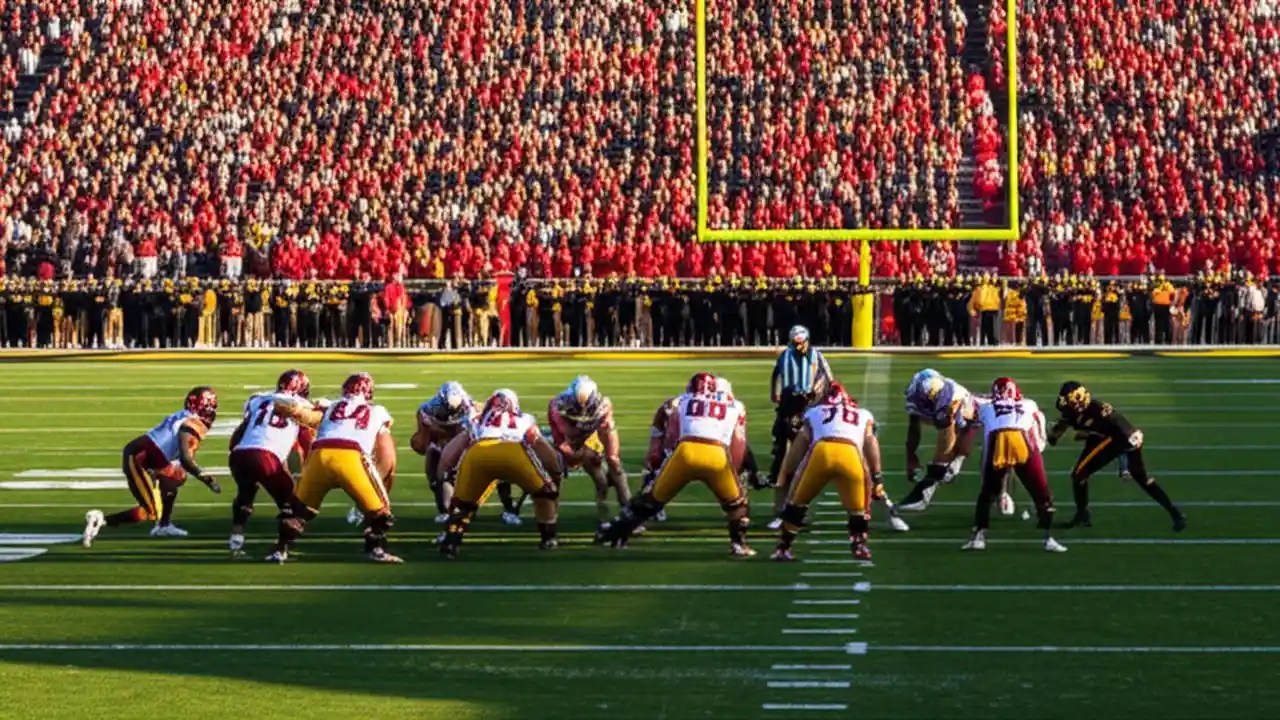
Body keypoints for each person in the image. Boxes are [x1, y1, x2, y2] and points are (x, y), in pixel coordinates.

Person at [597, 373, 754, 557]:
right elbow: (739, 443)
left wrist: (663, 457)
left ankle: (615, 531)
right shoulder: (736, 406)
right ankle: (738, 544)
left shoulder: (681, 400)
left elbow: (670, 432)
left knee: (651, 500)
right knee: (737, 504)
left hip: (684, 452)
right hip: (716, 453)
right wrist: (736, 469)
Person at [268, 372, 402, 563]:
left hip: (319, 456)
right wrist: (382, 478)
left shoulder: (330, 407)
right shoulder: (378, 411)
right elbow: (387, 453)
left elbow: (306, 416)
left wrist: (295, 409)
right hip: (352, 457)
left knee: (298, 512)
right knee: (381, 514)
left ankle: (280, 549)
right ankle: (376, 550)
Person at [82, 387, 222, 547]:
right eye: (209, 407)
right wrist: (206, 478)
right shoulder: (191, 423)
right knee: (150, 511)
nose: (211, 413)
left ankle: (164, 525)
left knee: (176, 476)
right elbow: (186, 459)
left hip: (152, 455)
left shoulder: (183, 415)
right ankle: (102, 520)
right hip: (139, 457)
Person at [435, 389, 565, 558]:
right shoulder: (524, 419)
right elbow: (540, 445)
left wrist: (443, 470)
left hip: (478, 453)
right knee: (545, 493)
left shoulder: (476, 419)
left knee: (463, 505)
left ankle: (451, 542)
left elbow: (451, 451)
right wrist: (555, 469)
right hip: (513, 452)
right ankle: (548, 538)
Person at [1049, 382, 1186, 532]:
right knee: (1081, 475)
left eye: (1069, 401)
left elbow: (1123, 432)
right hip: (1105, 437)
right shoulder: (1076, 411)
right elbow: (1066, 425)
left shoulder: (1097, 410)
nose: (1066, 405)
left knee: (1080, 474)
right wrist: (1055, 433)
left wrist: (1124, 464)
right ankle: (1176, 514)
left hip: (1119, 440)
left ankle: (1175, 513)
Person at [771, 382, 880, 562]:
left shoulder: (814, 412)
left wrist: (786, 472)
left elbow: (799, 445)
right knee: (858, 508)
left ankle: (784, 547)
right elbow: (870, 443)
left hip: (822, 452)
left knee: (797, 503)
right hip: (850, 453)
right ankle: (860, 546)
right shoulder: (863, 415)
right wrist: (877, 476)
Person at [961, 377, 1067, 553]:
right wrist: (1039, 449)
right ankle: (1049, 538)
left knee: (987, 493)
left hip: (998, 443)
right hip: (1023, 444)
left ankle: (979, 536)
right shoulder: (1029, 404)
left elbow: (968, 413)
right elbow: (1039, 427)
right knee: (1042, 494)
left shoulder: (986, 407)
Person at [226, 370, 314, 558]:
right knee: (291, 506)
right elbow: (305, 442)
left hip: (239, 455)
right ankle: (281, 550)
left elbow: (243, 429)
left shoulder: (257, 399)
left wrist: (233, 450)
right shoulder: (303, 406)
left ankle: (236, 537)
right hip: (266, 456)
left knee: (246, 493)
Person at [768, 325, 832, 526]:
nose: (798, 347)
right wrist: (775, 393)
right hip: (788, 407)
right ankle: (780, 511)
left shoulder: (816, 356)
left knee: (804, 462)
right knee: (781, 460)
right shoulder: (785, 356)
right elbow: (776, 374)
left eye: (801, 343)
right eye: (795, 343)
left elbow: (828, 378)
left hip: (807, 408)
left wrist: (817, 393)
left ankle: (799, 508)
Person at [548, 376, 629, 529]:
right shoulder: (557, 405)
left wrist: (610, 455)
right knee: (555, 473)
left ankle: (625, 512)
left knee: (613, 468)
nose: (583, 409)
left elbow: (607, 429)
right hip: (569, 439)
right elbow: (566, 436)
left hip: (590, 435)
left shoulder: (603, 404)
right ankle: (550, 517)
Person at [409, 381, 479, 523]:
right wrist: (434, 434)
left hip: (459, 438)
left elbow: (466, 431)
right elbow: (423, 434)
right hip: (439, 440)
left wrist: (448, 436)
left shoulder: (470, 407)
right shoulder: (429, 408)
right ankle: (444, 509)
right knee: (434, 476)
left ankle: (464, 507)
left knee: (458, 475)